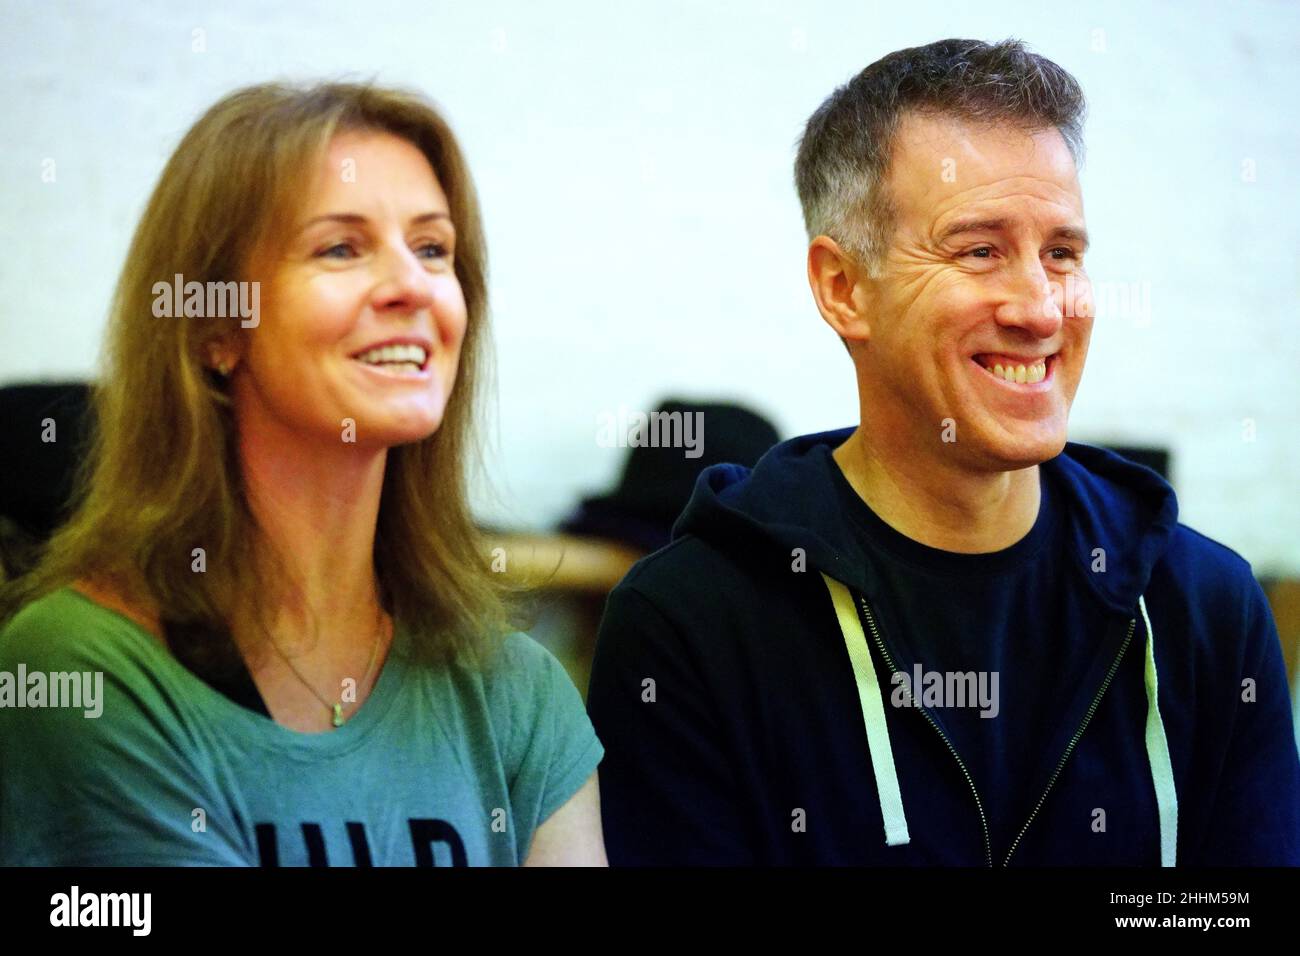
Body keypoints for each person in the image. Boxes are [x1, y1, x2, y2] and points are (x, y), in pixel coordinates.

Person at [586, 38, 1300, 865]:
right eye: (979, 250)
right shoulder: (693, 622)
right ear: (843, 287)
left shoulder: (1202, 607)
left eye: (1062, 253)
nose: (1040, 308)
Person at [0, 82, 606, 866]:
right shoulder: (78, 671)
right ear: (217, 325)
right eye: (340, 248)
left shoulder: (515, 691)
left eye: (432, 249)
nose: (411, 286)